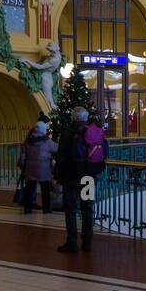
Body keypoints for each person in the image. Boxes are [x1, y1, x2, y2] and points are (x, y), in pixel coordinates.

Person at [55, 107, 109, 253]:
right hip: (88, 177)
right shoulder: (94, 132)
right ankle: (87, 243)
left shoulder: (67, 134)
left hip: (71, 179)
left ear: (72, 117)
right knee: (87, 210)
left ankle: (72, 243)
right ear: (86, 118)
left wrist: (58, 176)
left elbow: (61, 158)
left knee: (71, 210)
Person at [19, 120, 58, 213]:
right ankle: (46, 208)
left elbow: (22, 157)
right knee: (45, 189)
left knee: (30, 188)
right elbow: (56, 149)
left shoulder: (27, 140)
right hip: (44, 168)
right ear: (44, 130)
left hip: (30, 168)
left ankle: (28, 208)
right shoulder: (47, 141)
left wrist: (22, 167)